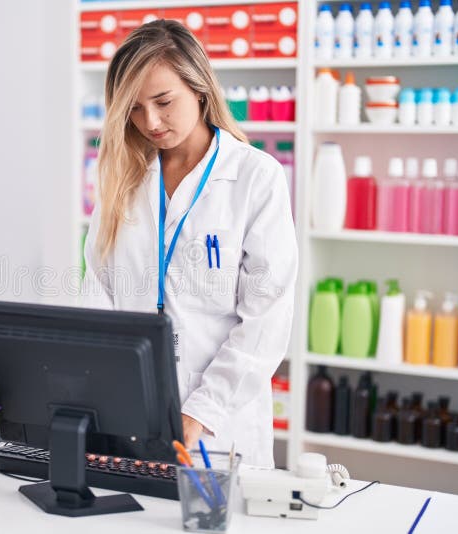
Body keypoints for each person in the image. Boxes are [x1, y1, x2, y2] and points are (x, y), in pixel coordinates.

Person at [81, 19, 297, 468]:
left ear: (198, 88)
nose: (151, 122)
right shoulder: (122, 178)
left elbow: (266, 318)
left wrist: (201, 411)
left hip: (221, 429)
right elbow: (98, 296)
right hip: (129, 417)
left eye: (163, 102)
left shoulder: (257, 178)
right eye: (135, 110)